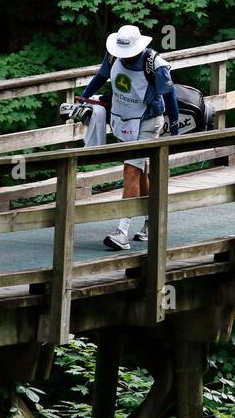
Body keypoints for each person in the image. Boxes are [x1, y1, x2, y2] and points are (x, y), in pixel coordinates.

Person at [71, 24, 180, 250]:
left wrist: (175, 125)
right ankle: (152, 221)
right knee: (139, 172)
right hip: (123, 119)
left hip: (148, 121)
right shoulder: (112, 56)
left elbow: (169, 95)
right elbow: (101, 77)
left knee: (131, 169)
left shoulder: (155, 64)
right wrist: (84, 98)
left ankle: (122, 230)